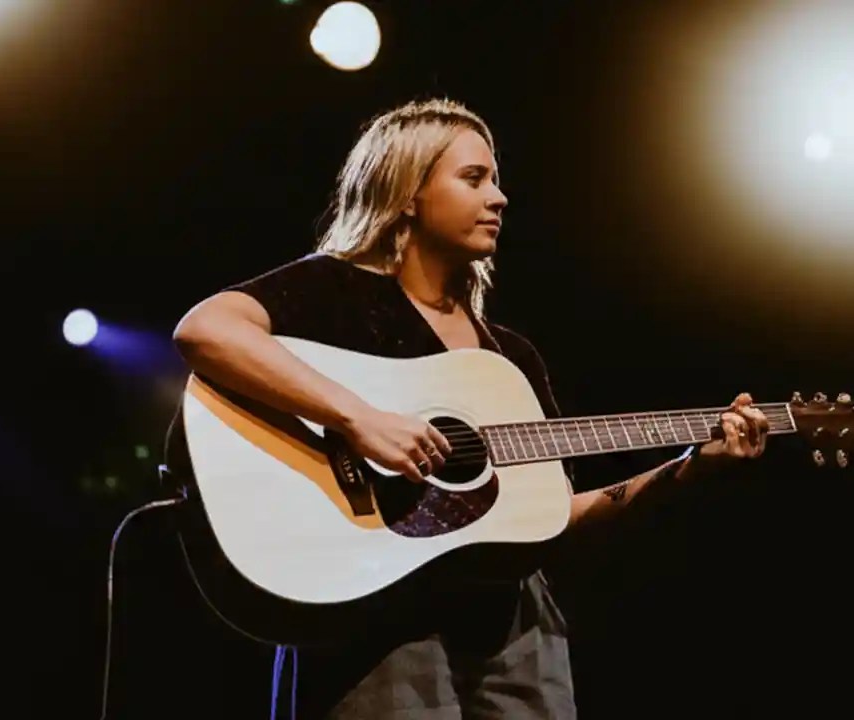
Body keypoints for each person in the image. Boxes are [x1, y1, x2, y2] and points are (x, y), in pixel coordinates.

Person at [163, 97, 770, 719]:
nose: (499, 198)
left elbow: (554, 515)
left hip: (512, 625)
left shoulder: (507, 357)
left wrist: (692, 466)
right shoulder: (336, 292)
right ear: (407, 192)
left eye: (496, 180)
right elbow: (205, 330)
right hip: (374, 612)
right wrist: (358, 419)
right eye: (474, 178)